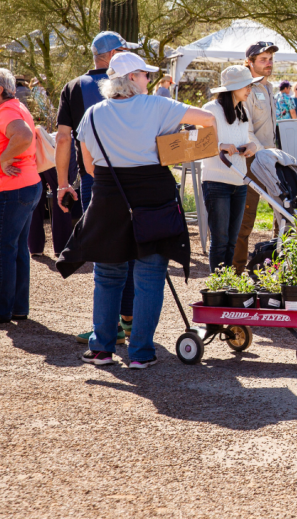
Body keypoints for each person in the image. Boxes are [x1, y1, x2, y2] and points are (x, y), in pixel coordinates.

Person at [57, 52, 216, 368]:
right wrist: (174, 147)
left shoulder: (92, 114)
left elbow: (88, 167)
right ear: (131, 78)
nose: (149, 79)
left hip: (108, 199)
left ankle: (101, 349)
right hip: (153, 196)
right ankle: (141, 353)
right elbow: (208, 121)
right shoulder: (158, 105)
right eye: (145, 74)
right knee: (149, 275)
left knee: (107, 274)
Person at [56, 30, 135, 345]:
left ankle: (109, 326)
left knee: (107, 251)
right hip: (133, 177)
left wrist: (62, 182)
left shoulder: (75, 87)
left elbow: (63, 138)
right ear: (113, 53)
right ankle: (129, 321)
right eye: (125, 48)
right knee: (130, 247)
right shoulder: (132, 82)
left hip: (95, 179)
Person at [0, 69, 42, 324]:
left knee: (1, 250)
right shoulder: (15, 106)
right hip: (24, 186)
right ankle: (17, 307)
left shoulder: (7, 111)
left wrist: (4, 158)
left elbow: (24, 135)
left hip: (8, 190)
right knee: (16, 249)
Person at [201, 66, 259, 272]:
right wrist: (220, 147)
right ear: (232, 88)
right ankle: (218, 287)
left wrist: (252, 147)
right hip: (216, 182)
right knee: (220, 239)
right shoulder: (210, 109)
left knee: (232, 240)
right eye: (246, 85)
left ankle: (228, 285)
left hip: (239, 181)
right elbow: (198, 145)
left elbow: (249, 140)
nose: (249, 89)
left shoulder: (243, 110)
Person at [232, 41, 280, 272]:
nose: (268, 63)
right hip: (251, 158)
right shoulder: (245, 89)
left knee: (283, 210)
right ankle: (236, 272)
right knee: (246, 217)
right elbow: (246, 128)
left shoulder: (268, 88)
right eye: (263, 59)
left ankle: (276, 264)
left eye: (270, 59)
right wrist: (263, 152)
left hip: (269, 158)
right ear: (249, 62)